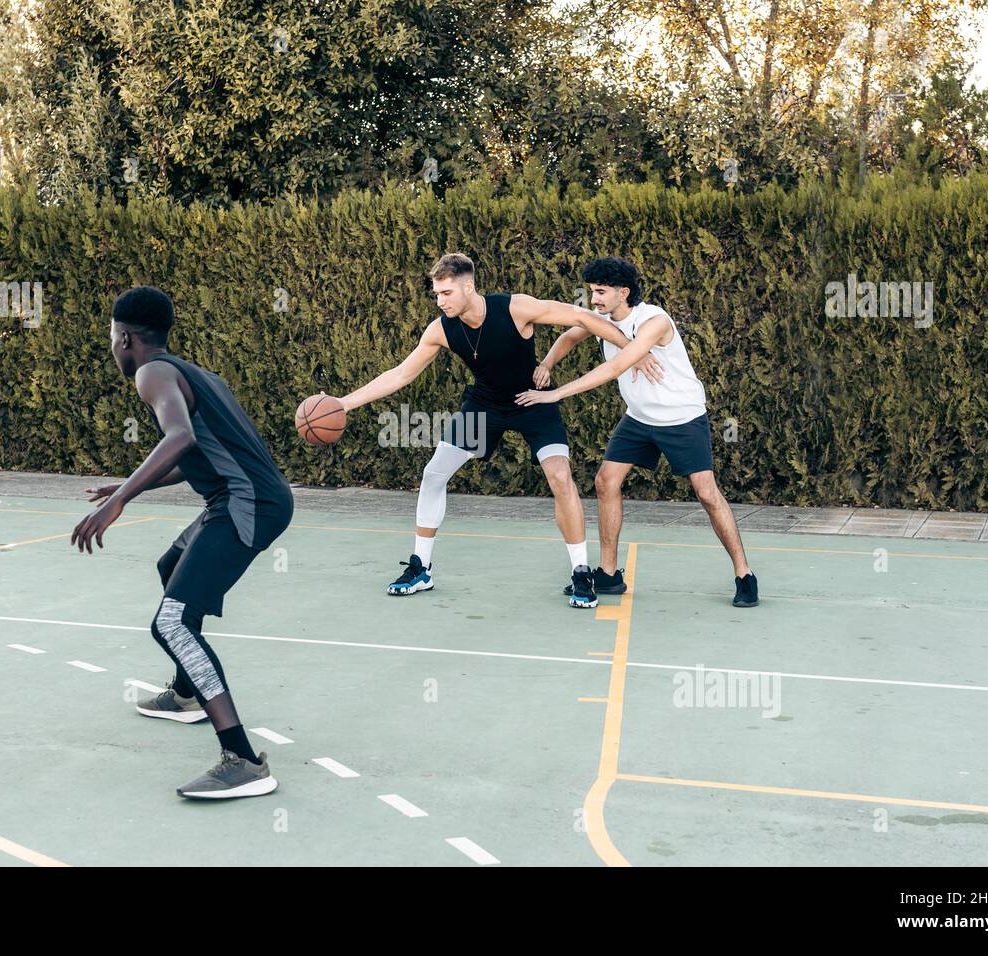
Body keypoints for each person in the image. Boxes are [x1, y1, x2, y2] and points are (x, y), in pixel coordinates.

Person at [338, 252, 662, 609]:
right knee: (433, 474)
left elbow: (580, 316)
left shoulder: (514, 308)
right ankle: (421, 567)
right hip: (484, 407)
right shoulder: (440, 330)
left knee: (560, 477)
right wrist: (343, 403)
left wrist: (633, 349)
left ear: (468, 286)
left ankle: (581, 572)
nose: (440, 300)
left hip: (532, 401)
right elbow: (399, 375)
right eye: (436, 294)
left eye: (446, 293)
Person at [73, 286, 294, 798]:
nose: (113, 347)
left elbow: (180, 440)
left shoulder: (152, 374)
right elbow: (203, 452)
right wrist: (131, 483)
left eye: (112, 338)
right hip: (249, 496)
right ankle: (186, 693)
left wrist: (119, 500)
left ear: (125, 337)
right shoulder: (196, 373)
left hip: (247, 504)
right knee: (170, 567)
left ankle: (242, 758)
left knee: (170, 622)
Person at [518, 257, 758, 608]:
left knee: (706, 493)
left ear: (623, 292)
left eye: (600, 292)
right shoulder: (600, 318)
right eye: (591, 292)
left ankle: (744, 574)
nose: (594, 299)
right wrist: (546, 364)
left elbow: (616, 365)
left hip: (681, 417)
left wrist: (555, 393)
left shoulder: (655, 321)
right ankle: (610, 574)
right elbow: (569, 335)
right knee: (605, 481)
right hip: (639, 418)